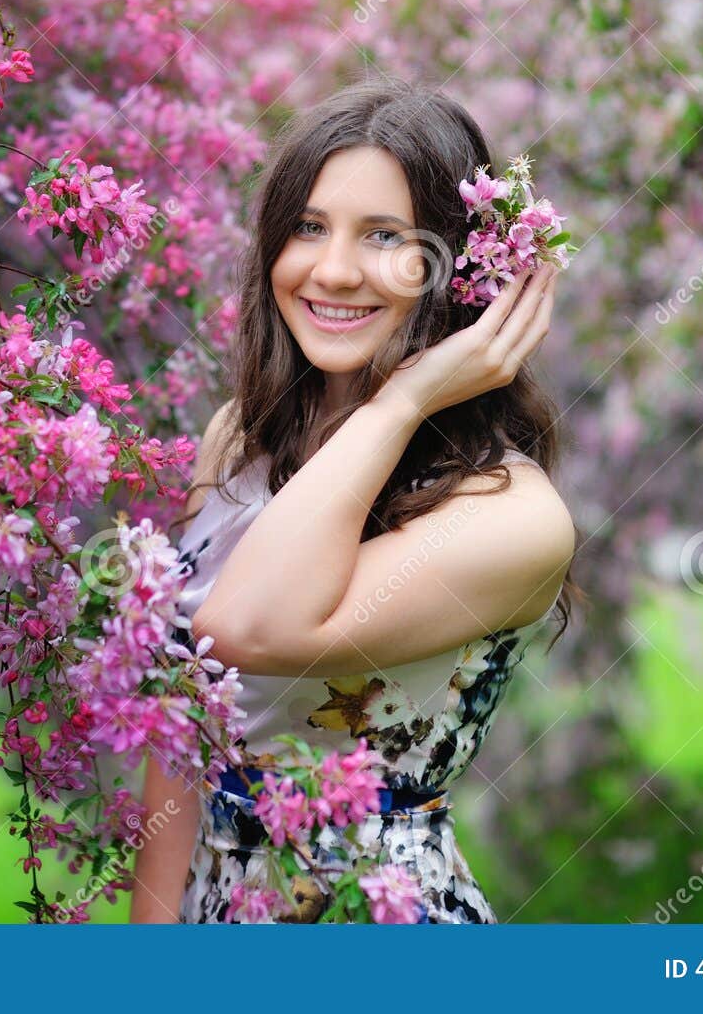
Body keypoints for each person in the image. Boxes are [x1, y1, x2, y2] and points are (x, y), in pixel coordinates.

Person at [128, 76, 578, 924]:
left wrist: (405, 401)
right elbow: (182, 719)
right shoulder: (240, 439)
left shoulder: (517, 516)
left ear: (462, 269)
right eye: (308, 227)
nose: (332, 270)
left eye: (383, 236)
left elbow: (248, 630)